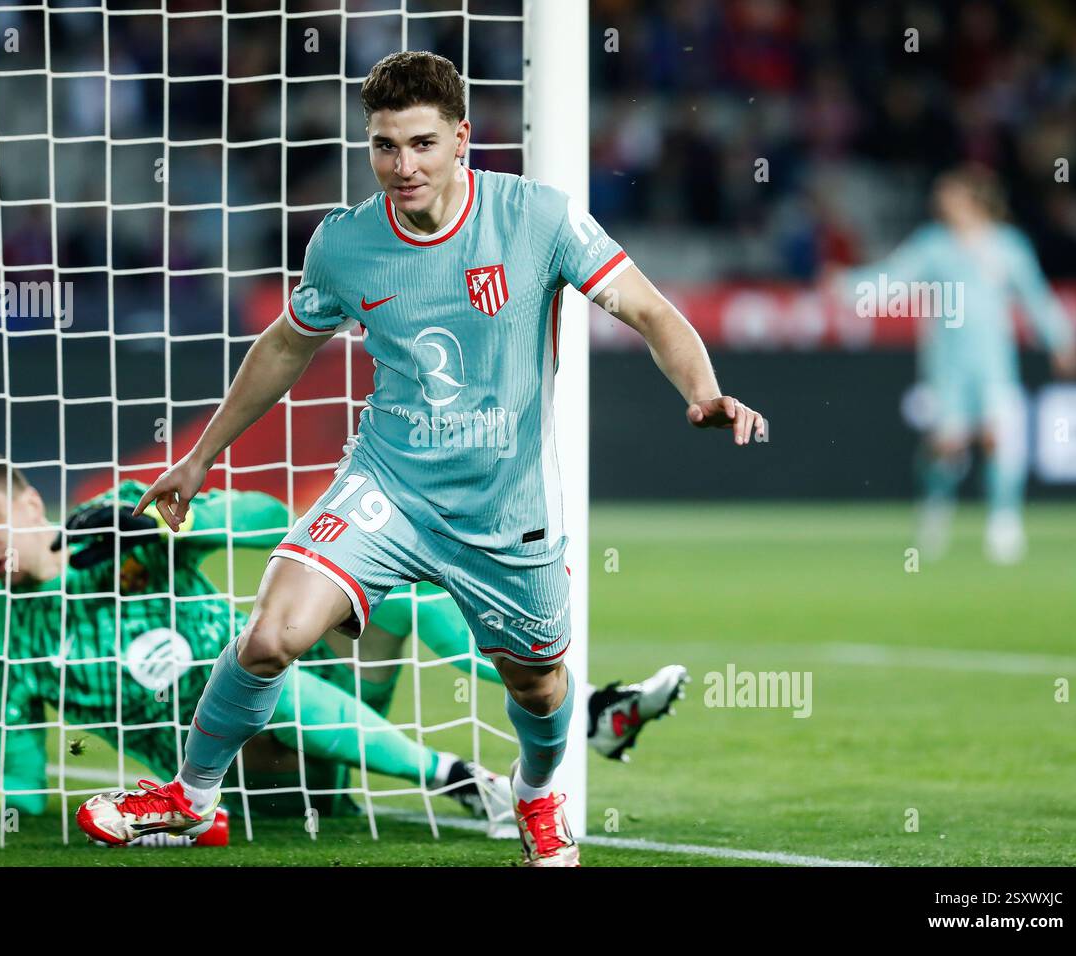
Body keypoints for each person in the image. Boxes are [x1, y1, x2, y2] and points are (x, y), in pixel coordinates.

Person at [77, 51, 764, 866]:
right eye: (384, 146)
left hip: (506, 507)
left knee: (537, 686)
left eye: (422, 144)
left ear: (463, 137)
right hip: (388, 486)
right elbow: (285, 347)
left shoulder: (537, 218)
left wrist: (704, 390)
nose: (402, 166)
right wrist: (200, 456)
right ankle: (190, 799)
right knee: (270, 634)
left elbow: (650, 310)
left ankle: (539, 795)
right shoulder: (345, 244)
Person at [0, 453, 688, 830]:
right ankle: (465, 781)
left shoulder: (125, 518)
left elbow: (273, 522)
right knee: (241, 667)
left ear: (29, 501)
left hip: (323, 708)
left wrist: (173, 522)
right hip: (245, 776)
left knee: (394, 598)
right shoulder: (2, 640)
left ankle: (587, 706)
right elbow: (23, 779)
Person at [839, 164, 1076, 563]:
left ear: (973, 198)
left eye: (949, 194)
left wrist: (1061, 339)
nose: (941, 201)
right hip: (946, 363)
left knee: (997, 438)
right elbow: (893, 280)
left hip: (993, 363)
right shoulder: (934, 245)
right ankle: (934, 513)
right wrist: (849, 287)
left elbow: (1035, 297)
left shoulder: (1008, 246)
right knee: (946, 445)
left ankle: (1004, 523)